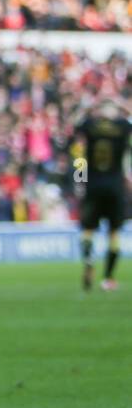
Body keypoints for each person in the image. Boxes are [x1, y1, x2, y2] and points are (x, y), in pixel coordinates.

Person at [73, 99, 132, 292]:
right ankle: (108, 278)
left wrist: (79, 179)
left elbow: (79, 151)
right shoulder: (123, 127)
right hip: (115, 186)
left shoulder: (90, 127)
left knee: (88, 230)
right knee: (114, 233)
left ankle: (89, 259)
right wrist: (121, 104)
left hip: (93, 185)